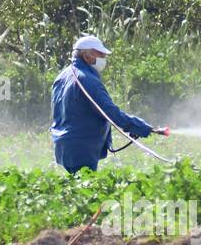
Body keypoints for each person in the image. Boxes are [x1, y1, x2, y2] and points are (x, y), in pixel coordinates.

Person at [50, 35, 157, 174]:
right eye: (100, 54)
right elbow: (109, 112)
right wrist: (136, 126)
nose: (104, 58)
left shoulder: (62, 76)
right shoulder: (87, 79)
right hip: (81, 146)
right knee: (85, 189)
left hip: (63, 144)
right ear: (87, 56)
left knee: (74, 188)